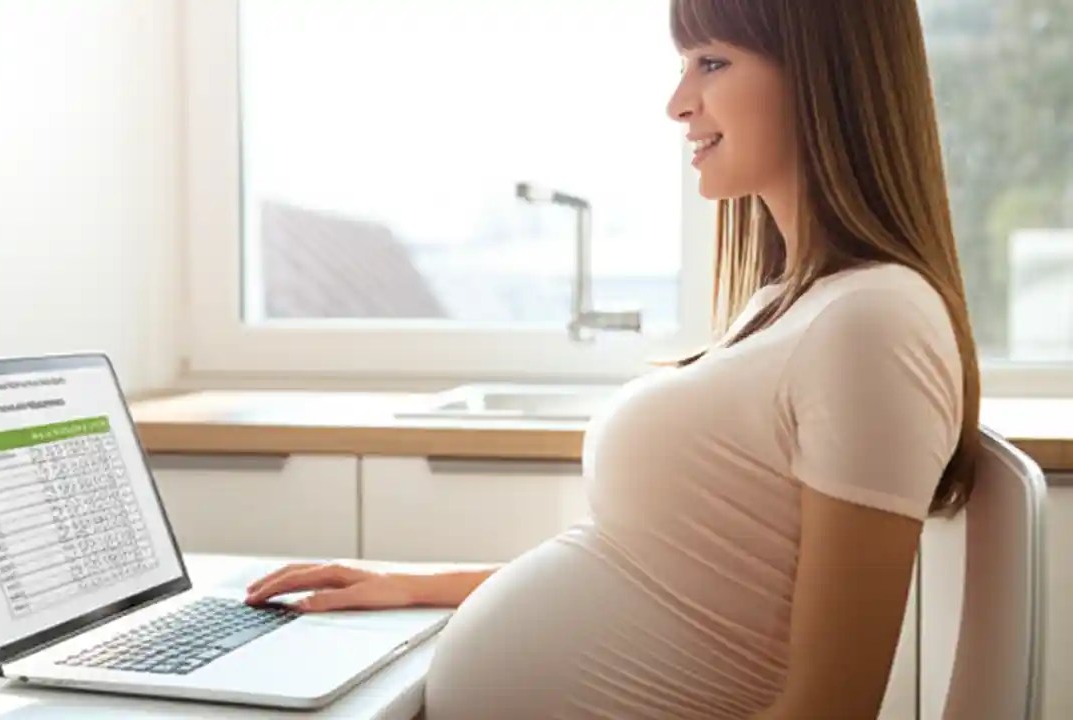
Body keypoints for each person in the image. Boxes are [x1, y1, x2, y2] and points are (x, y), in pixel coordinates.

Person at [245, 0, 981, 716]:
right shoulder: (792, 305)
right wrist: (413, 585)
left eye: (712, 62)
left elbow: (830, 706)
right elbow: (666, 581)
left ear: (828, 75)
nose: (678, 103)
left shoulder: (874, 322)